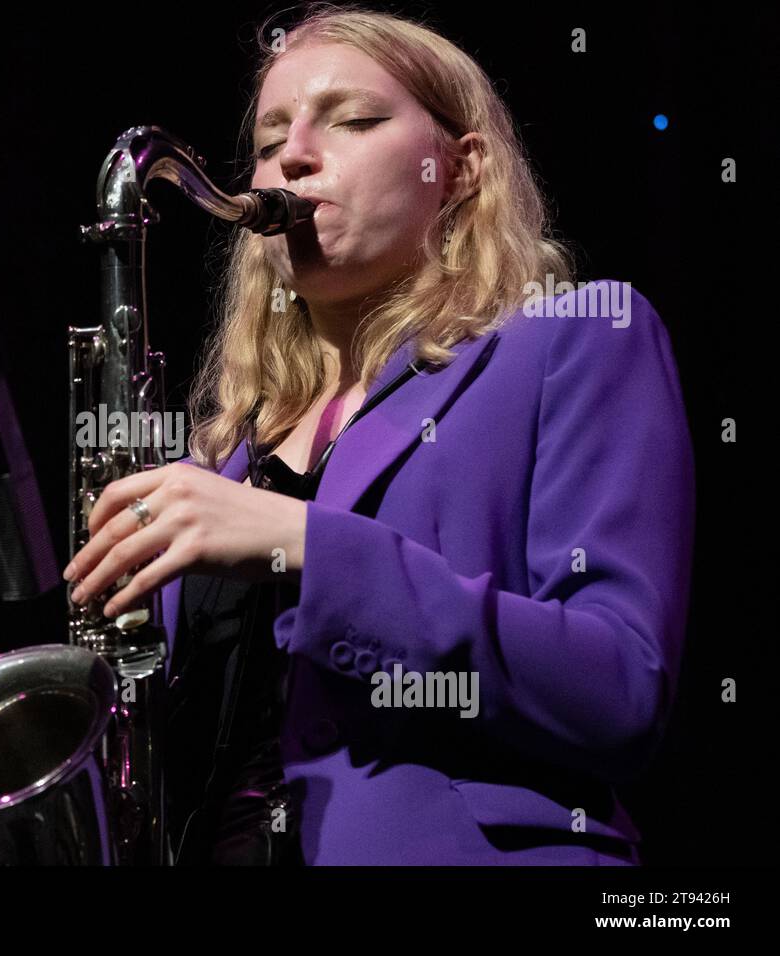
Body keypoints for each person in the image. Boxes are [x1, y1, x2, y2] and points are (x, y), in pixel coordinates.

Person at [61, 4, 693, 865]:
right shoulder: (213, 460)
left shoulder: (580, 338)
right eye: (270, 136)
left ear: (461, 169)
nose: (294, 155)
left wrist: (307, 547)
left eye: (354, 120)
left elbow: (619, 691)